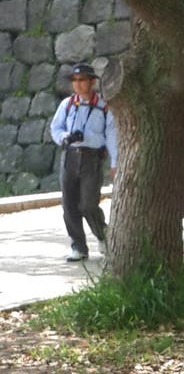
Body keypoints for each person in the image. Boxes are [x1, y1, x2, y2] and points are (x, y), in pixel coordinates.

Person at [50, 62, 117, 262]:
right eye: (75, 80)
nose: (78, 84)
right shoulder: (68, 104)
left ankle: (103, 235)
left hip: (92, 158)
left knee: (89, 204)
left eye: (82, 80)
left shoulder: (104, 107)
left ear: (92, 82)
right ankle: (78, 246)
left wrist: (115, 162)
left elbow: (112, 135)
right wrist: (65, 137)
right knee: (69, 204)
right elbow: (55, 128)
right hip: (70, 156)